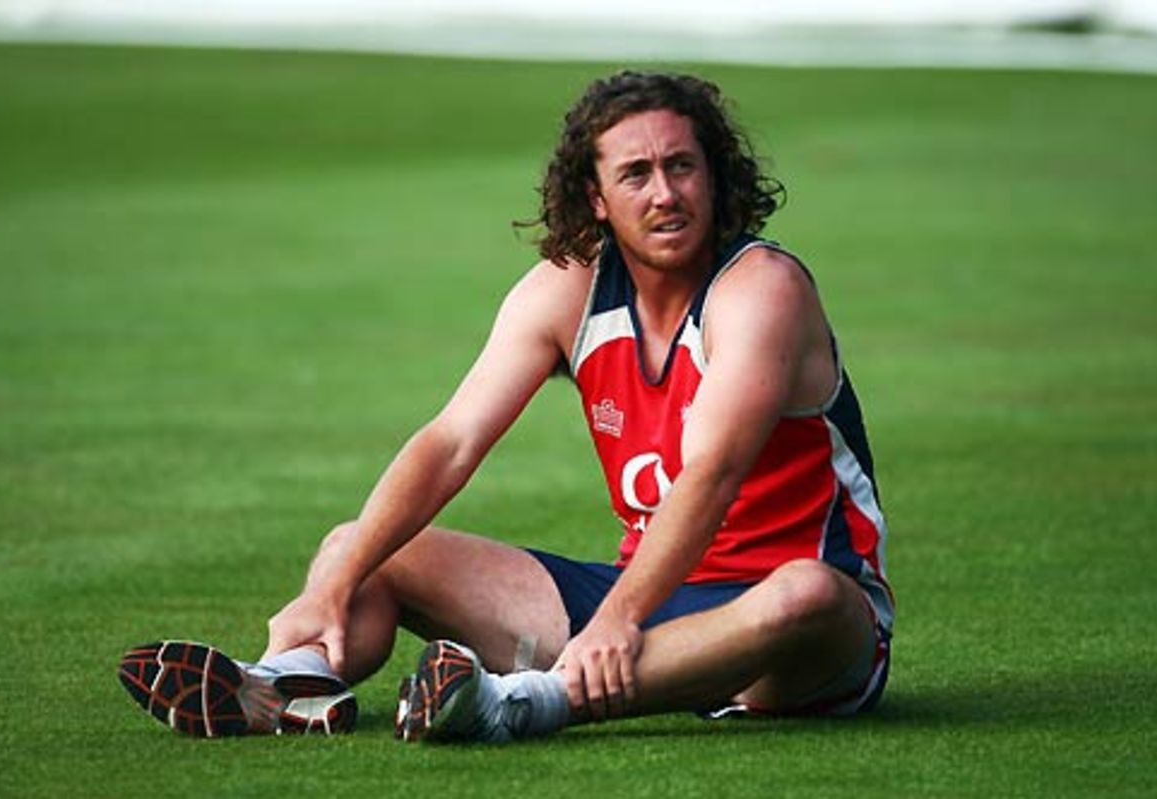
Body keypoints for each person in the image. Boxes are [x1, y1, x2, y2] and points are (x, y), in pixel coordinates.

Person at [118, 70, 893, 741]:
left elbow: (712, 474)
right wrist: (331, 586)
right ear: (595, 196)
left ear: (713, 176)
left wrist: (616, 621)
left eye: (682, 166)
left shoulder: (762, 289)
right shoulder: (569, 289)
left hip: (793, 633)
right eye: (636, 174)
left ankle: (521, 703)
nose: (665, 193)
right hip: (650, 595)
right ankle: (284, 681)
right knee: (368, 544)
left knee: (808, 594)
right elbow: (451, 440)